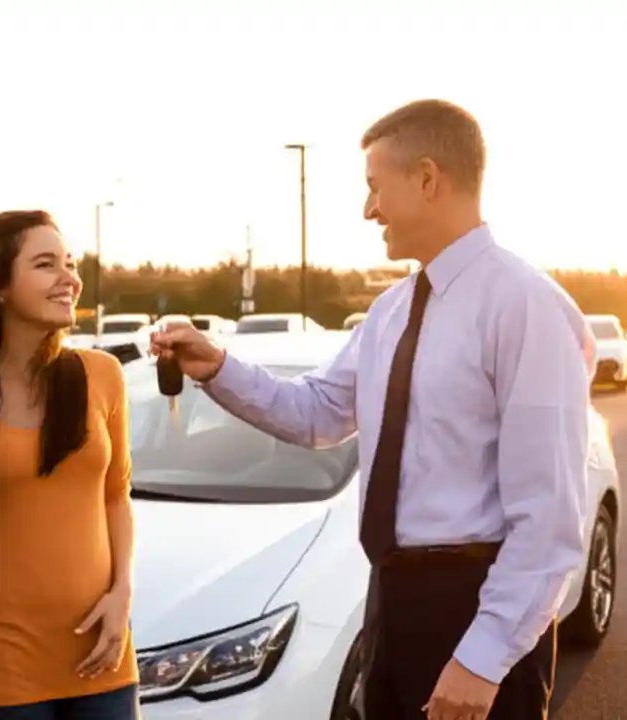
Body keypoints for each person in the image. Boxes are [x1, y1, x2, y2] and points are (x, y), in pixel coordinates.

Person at [151, 99, 593, 720]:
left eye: (374, 186)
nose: (368, 210)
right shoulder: (390, 312)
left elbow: (549, 519)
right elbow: (319, 413)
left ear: (428, 179)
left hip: (477, 612)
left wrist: (482, 658)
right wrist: (216, 366)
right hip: (391, 600)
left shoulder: (525, 306)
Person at [0, 210, 140, 719]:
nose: (70, 279)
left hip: (101, 644)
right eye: (46, 265)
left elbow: (116, 496)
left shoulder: (101, 374)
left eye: (70, 262)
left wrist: (122, 596)